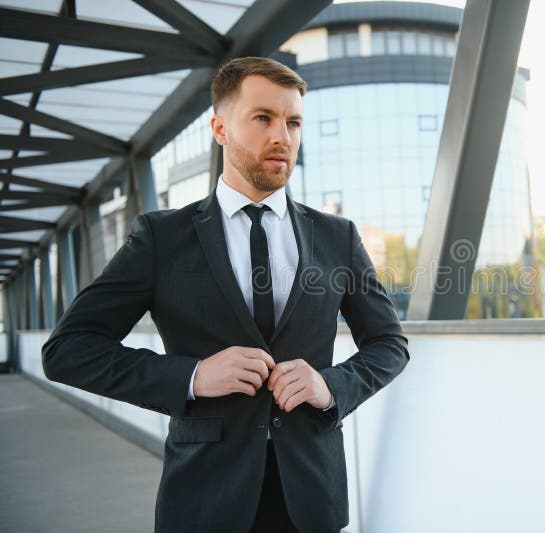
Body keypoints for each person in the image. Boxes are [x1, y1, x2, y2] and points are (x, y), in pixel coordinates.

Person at [42, 56, 409, 533]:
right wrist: (192, 376)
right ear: (219, 129)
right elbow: (68, 351)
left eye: (293, 122)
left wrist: (331, 386)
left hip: (312, 499)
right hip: (204, 500)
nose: (283, 136)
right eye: (263, 118)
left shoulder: (337, 237)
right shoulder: (161, 238)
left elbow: (389, 344)